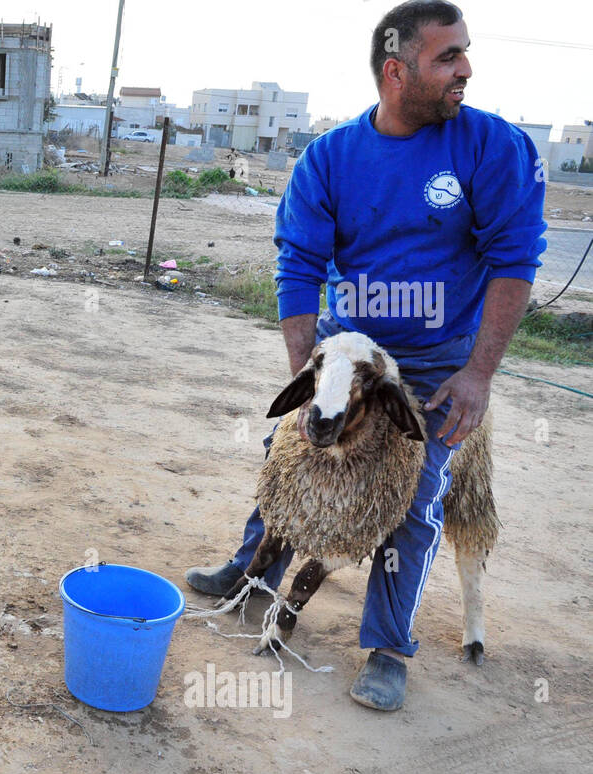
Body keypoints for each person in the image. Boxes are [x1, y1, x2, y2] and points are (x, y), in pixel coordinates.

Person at [185, 1, 546, 711]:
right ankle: (251, 571)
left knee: (416, 497)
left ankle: (386, 646)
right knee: (286, 452)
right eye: (447, 58)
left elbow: (514, 262)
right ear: (396, 70)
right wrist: (307, 374)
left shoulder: (491, 148)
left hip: (437, 362)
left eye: (465, 54)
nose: (465, 69)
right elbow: (299, 263)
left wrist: (476, 376)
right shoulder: (331, 159)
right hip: (351, 349)